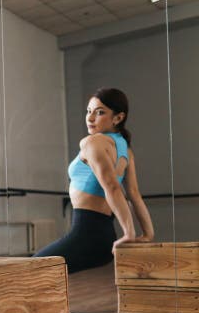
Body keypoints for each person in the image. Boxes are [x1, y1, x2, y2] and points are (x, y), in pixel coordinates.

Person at [34, 87, 154, 273]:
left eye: (100, 112)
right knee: (41, 278)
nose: (90, 118)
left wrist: (129, 234)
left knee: (26, 269)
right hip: (101, 235)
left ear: (118, 118)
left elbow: (113, 187)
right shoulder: (125, 150)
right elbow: (134, 195)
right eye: (88, 111)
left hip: (86, 236)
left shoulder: (94, 142)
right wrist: (147, 233)